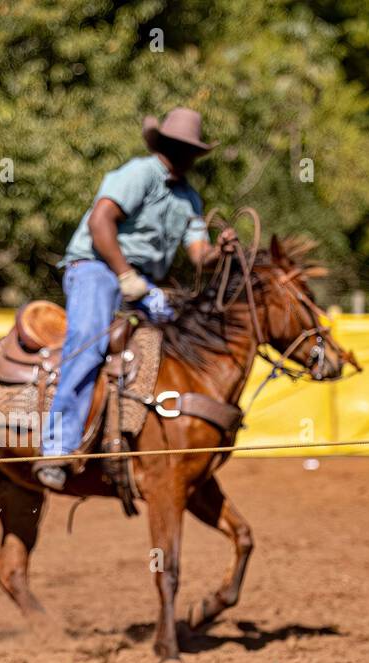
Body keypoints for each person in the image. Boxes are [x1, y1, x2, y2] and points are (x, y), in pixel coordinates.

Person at [36, 107, 218, 491]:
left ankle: (146, 441)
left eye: (191, 148)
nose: (186, 154)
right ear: (166, 145)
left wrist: (223, 250)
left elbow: (200, 253)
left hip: (144, 284)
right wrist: (124, 275)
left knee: (180, 343)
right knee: (89, 343)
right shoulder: (138, 174)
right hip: (97, 268)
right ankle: (57, 447)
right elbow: (100, 222)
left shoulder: (190, 199)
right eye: (180, 146)